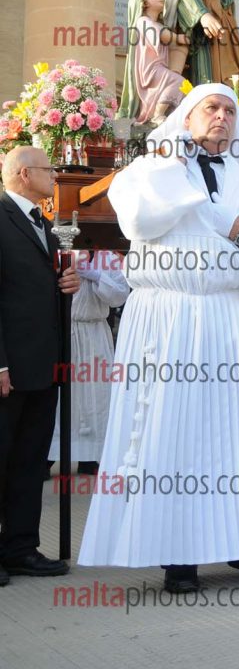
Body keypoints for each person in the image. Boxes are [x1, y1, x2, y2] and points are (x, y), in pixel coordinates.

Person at [78, 84, 239, 592]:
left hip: (230, 314)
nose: (222, 117)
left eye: (230, 110)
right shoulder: (148, 169)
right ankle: (178, 554)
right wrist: (172, 168)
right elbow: (136, 219)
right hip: (168, 314)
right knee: (173, 429)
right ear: (186, 116)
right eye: (211, 108)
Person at [0, 147, 80, 585]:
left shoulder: (46, 225)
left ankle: (20, 547)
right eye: (50, 168)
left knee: (31, 461)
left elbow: (40, 286)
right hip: (8, 367)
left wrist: (66, 283)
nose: (56, 175)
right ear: (25, 173)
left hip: (43, 365)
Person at [48, 252, 129, 474]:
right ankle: (52, 454)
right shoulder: (59, 251)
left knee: (98, 396)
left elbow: (119, 296)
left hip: (94, 332)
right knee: (62, 397)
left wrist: (96, 275)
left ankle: (92, 456)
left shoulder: (108, 258)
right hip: (66, 331)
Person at [118, 0, 190, 125]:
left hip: (158, 68)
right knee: (179, 82)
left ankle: (159, 114)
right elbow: (161, 35)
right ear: (144, 3)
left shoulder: (154, 23)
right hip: (151, 69)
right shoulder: (143, 21)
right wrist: (179, 38)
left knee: (180, 85)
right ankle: (157, 115)